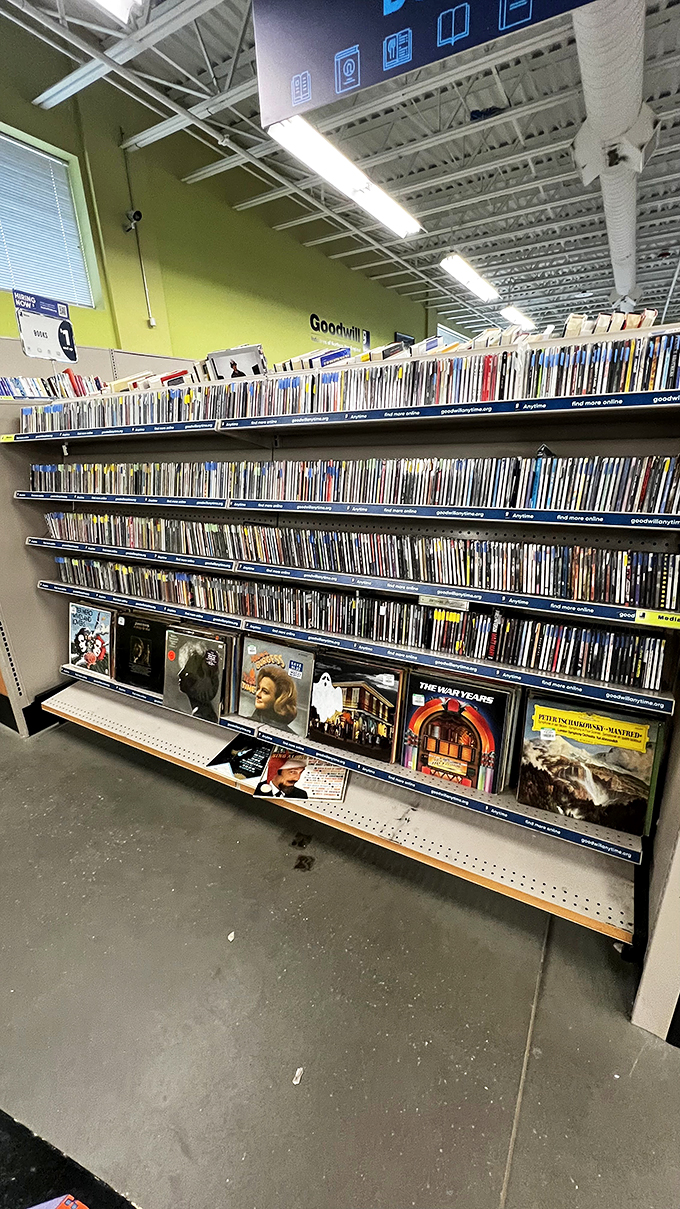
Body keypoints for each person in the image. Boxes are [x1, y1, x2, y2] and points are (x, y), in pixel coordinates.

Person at [250, 665, 298, 731]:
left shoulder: (289, 735)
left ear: (279, 699)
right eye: (258, 688)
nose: (257, 694)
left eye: (265, 691)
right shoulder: (245, 722)